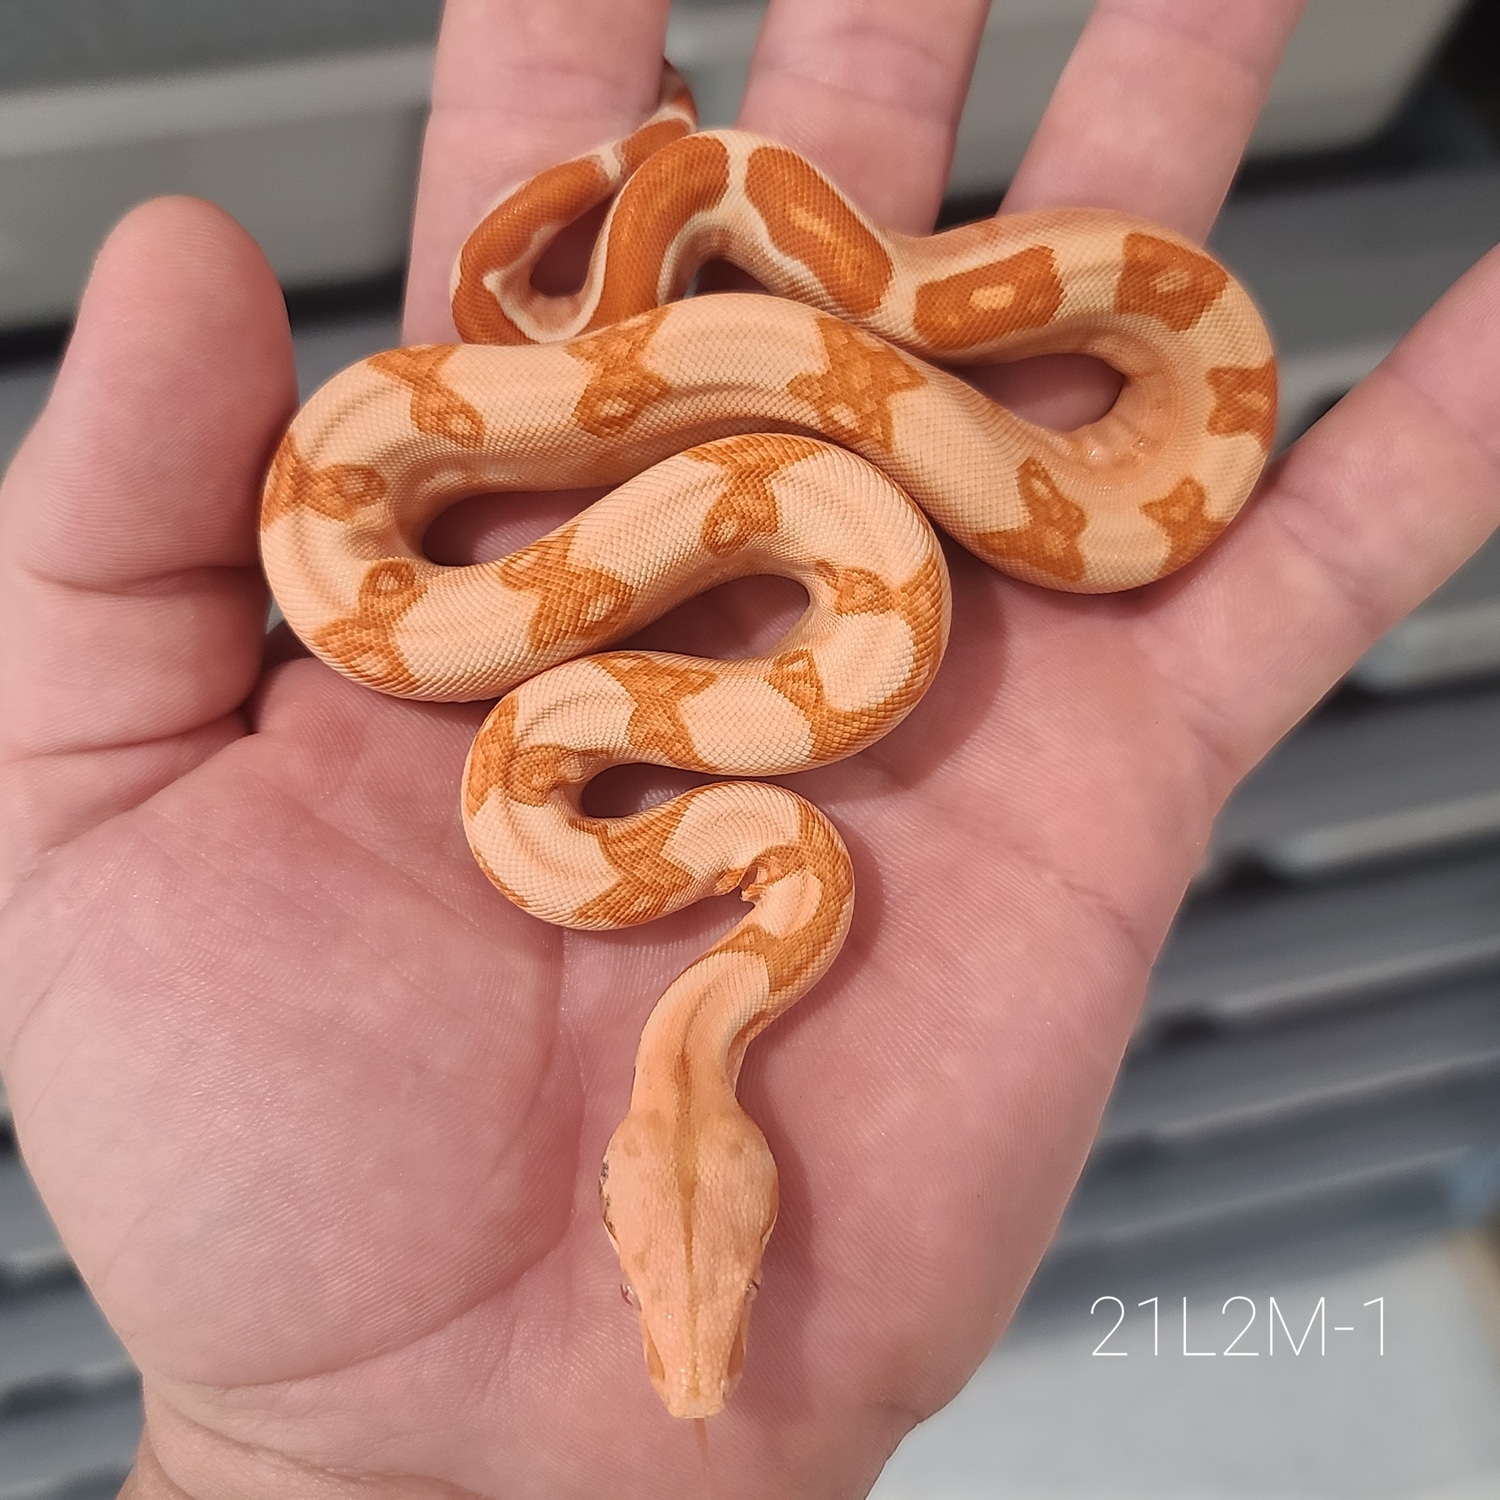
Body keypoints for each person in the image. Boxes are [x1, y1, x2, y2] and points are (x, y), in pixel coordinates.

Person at [0, 0, 1495, 1494]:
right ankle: (681, 194)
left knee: (832, 340)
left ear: (622, 1177)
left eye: (656, 1278)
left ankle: (680, 194)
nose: (689, 1348)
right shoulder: (720, 823)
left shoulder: (707, 844)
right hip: (928, 457)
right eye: (718, 1278)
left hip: (976, 428)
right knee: (807, 362)